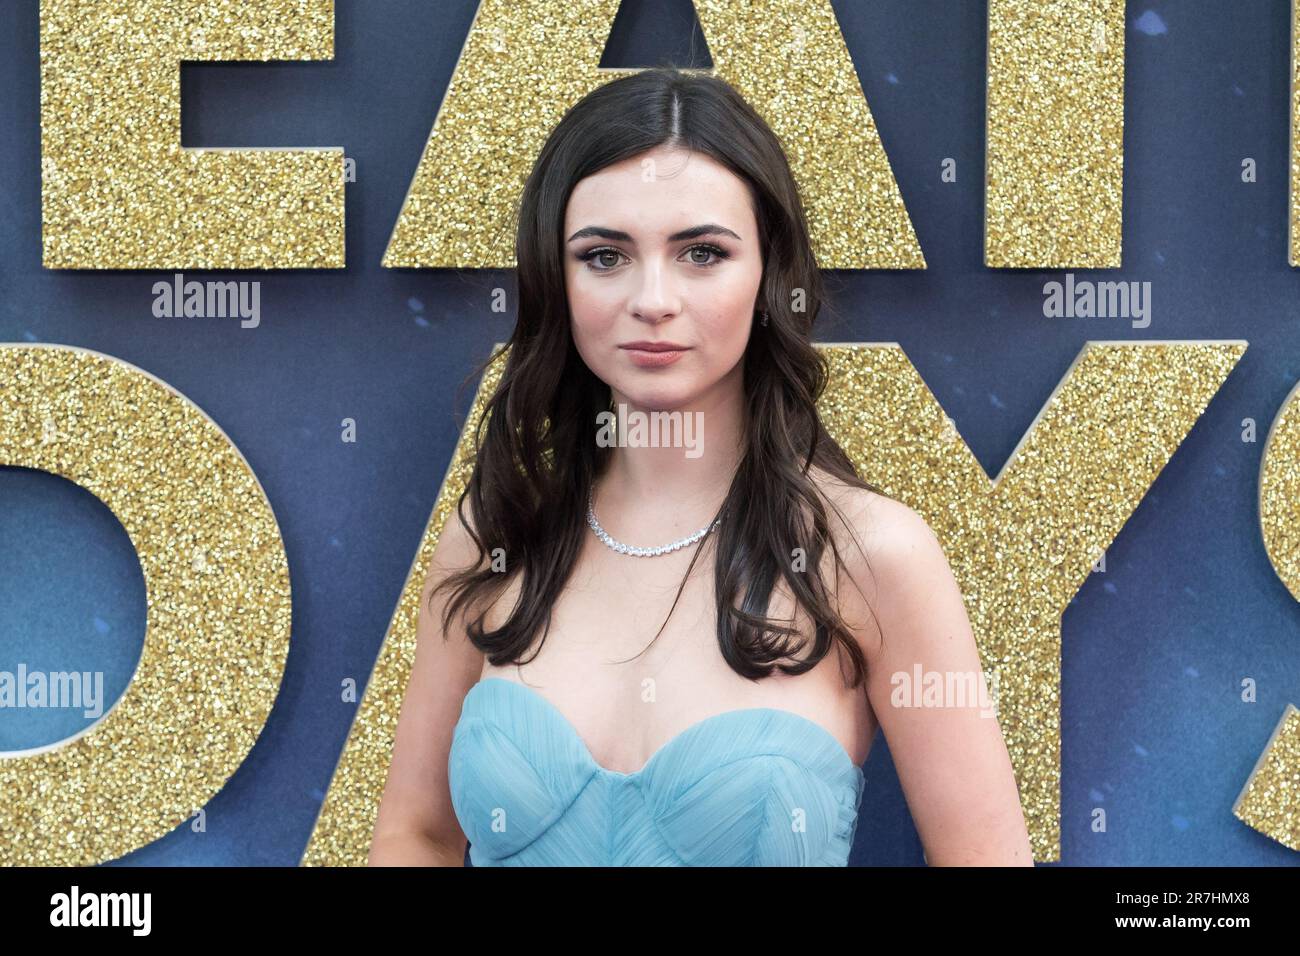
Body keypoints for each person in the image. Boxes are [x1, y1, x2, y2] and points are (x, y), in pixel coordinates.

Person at [368, 65, 1032, 866]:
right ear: (556, 277)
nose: (653, 298)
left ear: (767, 275)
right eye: (606, 256)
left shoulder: (868, 555)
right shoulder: (498, 533)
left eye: (703, 253)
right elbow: (419, 835)